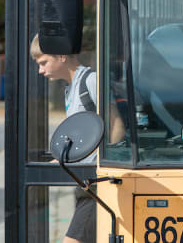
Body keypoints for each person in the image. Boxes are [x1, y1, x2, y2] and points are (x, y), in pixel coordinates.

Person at [30, 34, 125, 243]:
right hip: (84, 186)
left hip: (97, 187)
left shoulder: (90, 81)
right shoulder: (70, 89)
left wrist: (104, 162)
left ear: (62, 55)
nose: (40, 70)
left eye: (43, 62)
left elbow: (117, 125)